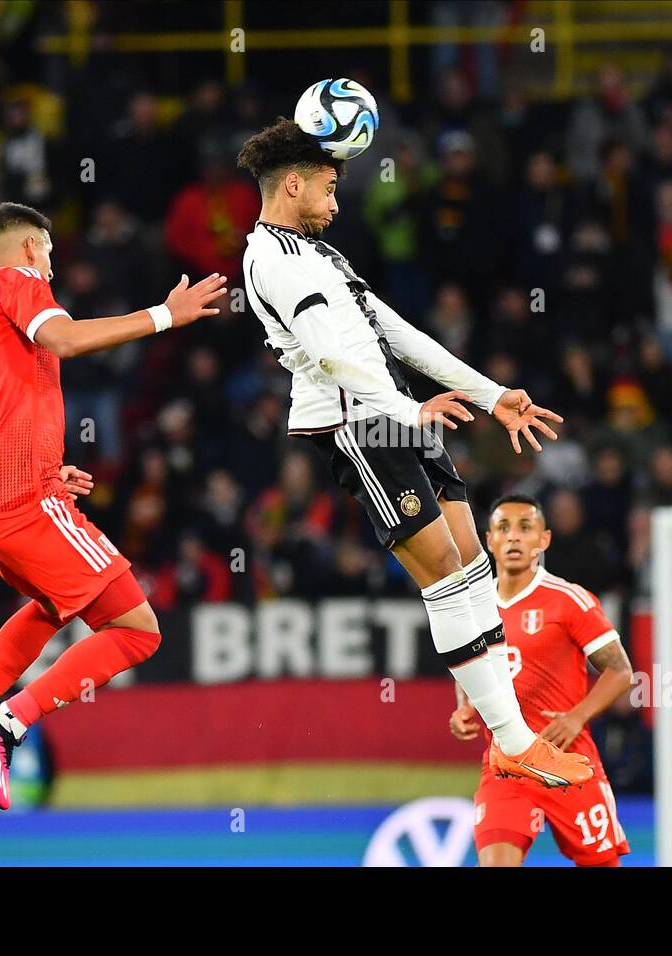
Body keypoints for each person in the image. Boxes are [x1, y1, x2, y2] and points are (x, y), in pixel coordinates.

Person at [236, 120, 590, 788]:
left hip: (398, 413)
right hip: (362, 427)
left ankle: (491, 711)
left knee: (473, 565)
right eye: (330, 187)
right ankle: (514, 740)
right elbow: (329, 355)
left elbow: (396, 333)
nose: (338, 203)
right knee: (444, 571)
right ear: (293, 184)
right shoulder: (271, 260)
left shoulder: (322, 257)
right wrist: (407, 411)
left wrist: (488, 396)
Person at [0, 202, 226, 809]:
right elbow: (63, 338)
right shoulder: (17, 284)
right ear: (31, 248)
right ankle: (6, 726)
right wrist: (165, 316)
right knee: (139, 631)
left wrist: (35, 459)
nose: (53, 268)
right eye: (51, 254)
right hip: (24, 505)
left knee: (51, 605)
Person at [450, 495, 633, 866]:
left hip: (568, 760)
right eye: (503, 528)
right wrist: (464, 707)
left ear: (543, 540)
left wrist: (577, 717)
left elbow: (621, 671)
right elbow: (469, 665)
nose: (514, 538)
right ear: (489, 540)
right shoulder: (474, 607)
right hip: (506, 766)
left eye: (525, 527)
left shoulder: (569, 600)